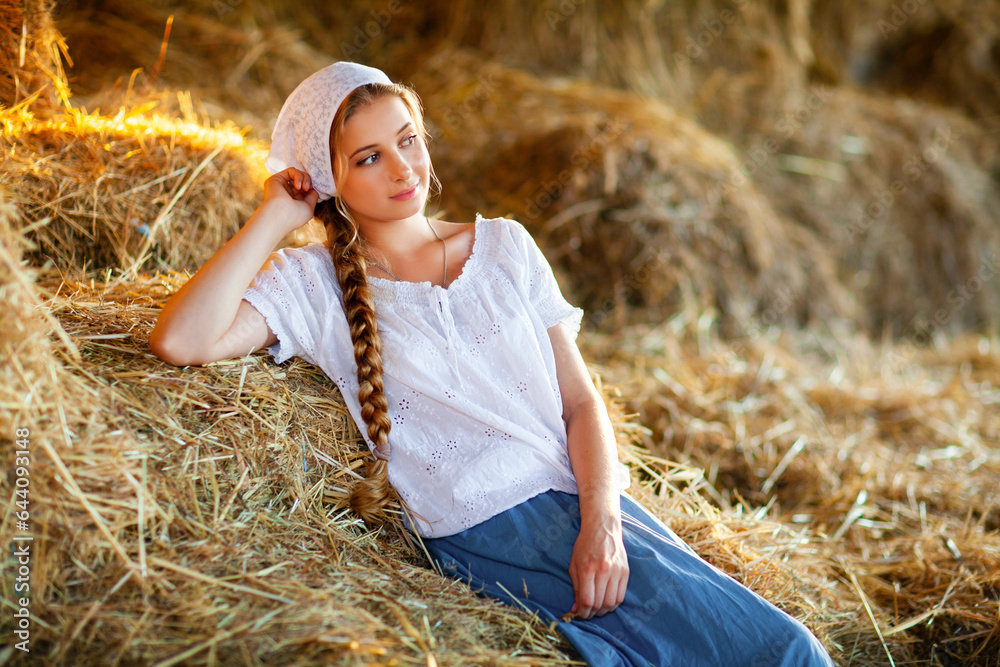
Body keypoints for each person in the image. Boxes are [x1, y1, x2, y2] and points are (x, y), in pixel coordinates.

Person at [149, 61, 835, 667]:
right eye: (367, 159)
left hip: (584, 500)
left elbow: (581, 402)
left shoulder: (504, 244)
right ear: (329, 179)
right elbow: (181, 340)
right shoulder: (315, 284)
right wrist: (276, 214)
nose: (401, 168)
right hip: (489, 530)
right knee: (784, 653)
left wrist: (603, 521)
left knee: (782, 648)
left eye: (407, 140)